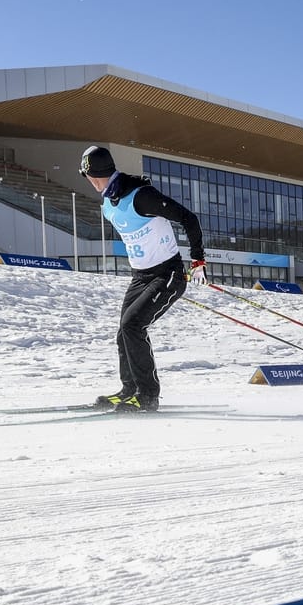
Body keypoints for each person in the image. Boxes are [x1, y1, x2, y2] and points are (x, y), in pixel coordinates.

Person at [79, 145, 204, 411]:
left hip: (167, 274)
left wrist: (198, 261)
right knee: (124, 330)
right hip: (140, 276)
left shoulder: (141, 196)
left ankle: (148, 396)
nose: (88, 181)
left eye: (87, 175)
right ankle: (130, 389)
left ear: (95, 174)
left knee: (134, 326)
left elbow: (188, 218)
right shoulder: (108, 202)